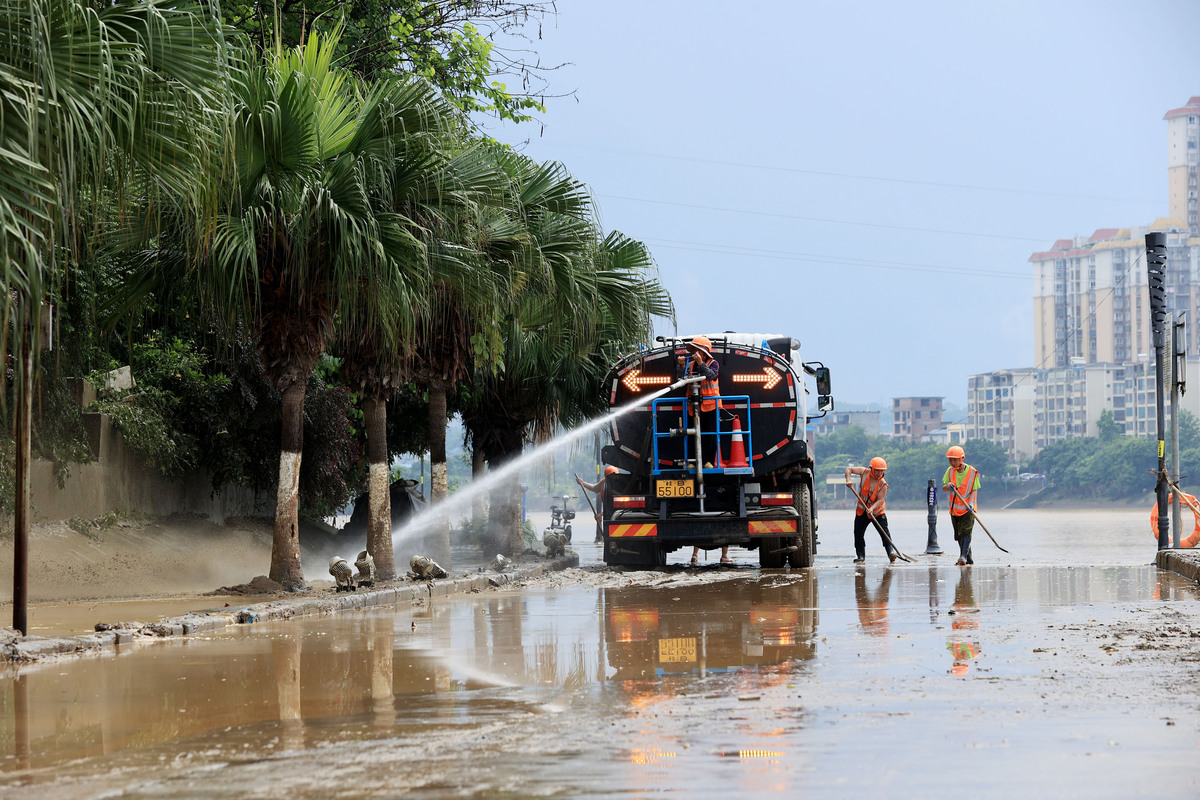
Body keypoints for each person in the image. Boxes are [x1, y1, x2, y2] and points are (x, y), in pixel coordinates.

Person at [676, 334, 721, 469]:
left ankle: (709, 462)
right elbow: (681, 381)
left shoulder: (713, 363)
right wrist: (682, 366)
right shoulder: (690, 364)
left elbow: (711, 376)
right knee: (691, 433)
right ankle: (692, 461)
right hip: (693, 405)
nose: (695, 353)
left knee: (710, 433)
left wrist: (701, 363)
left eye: (698, 349)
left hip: (710, 405)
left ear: (704, 351)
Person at [845, 457, 898, 564]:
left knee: (885, 533)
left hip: (877, 512)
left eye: (881, 471)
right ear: (872, 468)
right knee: (858, 533)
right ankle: (860, 556)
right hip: (862, 511)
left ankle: (891, 552)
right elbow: (848, 469)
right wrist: (848, 480)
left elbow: (880, 500)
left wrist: (872, 508)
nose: (879, 473)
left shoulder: (883, 484)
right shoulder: (864, 472)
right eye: (877, 470)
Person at [942, 445, 981, 566]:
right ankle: (968, 559)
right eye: (950, 460)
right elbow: (944, 488)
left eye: (955, 459)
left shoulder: (972, 472)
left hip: (968, 509)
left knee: (966, 532)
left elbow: (974, 490)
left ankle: (962, 557)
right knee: (959, 535)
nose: (952, 462)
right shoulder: (950, 471)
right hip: (954, 510)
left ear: (962, 458)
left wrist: (970, 503)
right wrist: (948, 486)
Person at [576, 466, 618, 542]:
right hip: (608, 514)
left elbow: (614, 507)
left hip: (616, 514)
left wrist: (601, 514)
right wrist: (582, 483)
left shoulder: (619, 485)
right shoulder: (604, 483)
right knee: (608, 535)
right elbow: (594, 488)